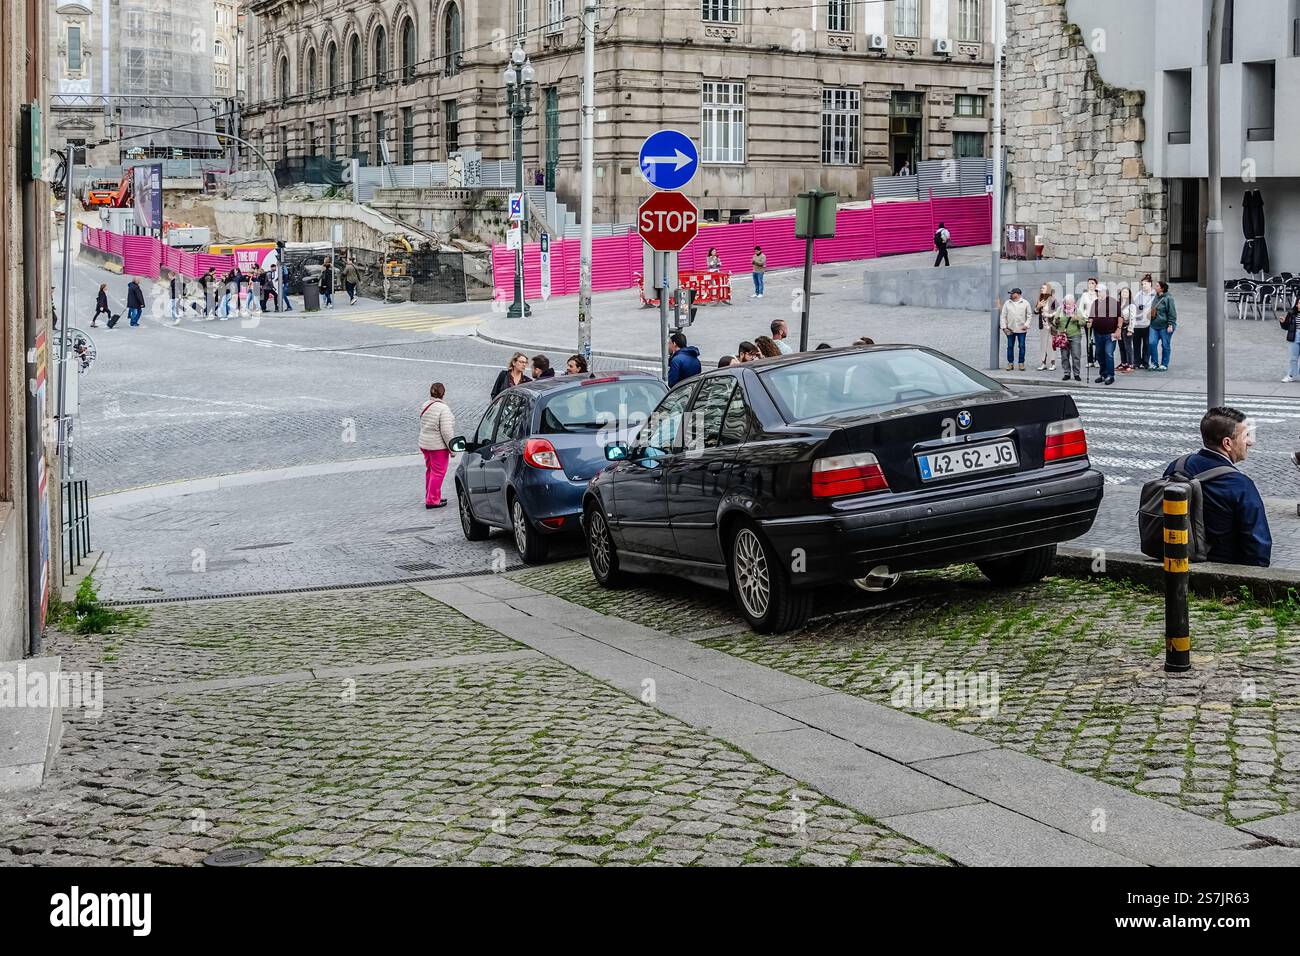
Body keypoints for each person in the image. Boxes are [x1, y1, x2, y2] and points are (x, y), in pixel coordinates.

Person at [1162, 407, 1271, 567]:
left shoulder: (1177, 466)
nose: (1250, 442)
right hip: (1222, 568)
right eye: (1245, 436)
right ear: (1227, 443)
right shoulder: (1240, 485)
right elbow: (1258, 545)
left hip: (1174, 561)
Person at [418, 383, 457, 510]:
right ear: (443, 393)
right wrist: (452, 448)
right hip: (437, 446)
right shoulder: (443, 409)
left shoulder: (425, 405)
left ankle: (431, 495)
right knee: (438, 472)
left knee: (430, 470)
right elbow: (446, 431)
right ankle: (432, 500)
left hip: (425, 444)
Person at [1090, 283, 1123, 386]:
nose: (1097, 293)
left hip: (1110, 333)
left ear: (1104, 291)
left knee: (1108, 353)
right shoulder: (1095, 303)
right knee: (1099, 354)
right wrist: (1089, 322)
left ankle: (1110, 375)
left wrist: (1119, 329)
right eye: (1097, 291)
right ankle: (1103, 374)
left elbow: (1120, 317)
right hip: (1097, 333)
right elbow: (1091, 316)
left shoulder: (1113, 302)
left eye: (1099, 291)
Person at [1050, 294, 1085, 382]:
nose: (1068, 305)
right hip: (1063, 336)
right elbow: (1054, 322)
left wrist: (1077, 319)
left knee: (1076, 355)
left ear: (1073, 303)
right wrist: (1056, 321)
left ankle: (1077, 374)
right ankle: (1067, 373)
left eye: (1070, 303)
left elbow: (1083, 322)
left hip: (1075, 335)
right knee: (1064, 356)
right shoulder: (1060, 310)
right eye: (1067, 303)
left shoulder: (1077, 310)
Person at [999, 287, 1031, 370]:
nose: (1011, 295)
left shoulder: (1025, 303)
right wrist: (1004, 327)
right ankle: (1010, 363)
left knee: (1022, 346)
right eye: (1011, 293)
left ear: (1018, 294)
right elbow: (1003, 316)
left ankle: (1021, 363)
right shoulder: (1007, 303)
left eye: (1013, 293)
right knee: (1010, 346)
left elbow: (1029, 315)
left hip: (1022, 329)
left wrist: (1026, 325)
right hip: (1010, 329)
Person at [1149, 280, 1177, 371]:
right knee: (1152, 343)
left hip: (1165, 326)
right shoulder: (1154, 297)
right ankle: (1154, 363)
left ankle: (1164, 364)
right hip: (1154, 325)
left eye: (1157, 286)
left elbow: (1172, 313)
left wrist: (1170, 324)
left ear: (1162, 288)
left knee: (1165, 345)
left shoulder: (1168, 298)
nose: (1154, 287)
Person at [1132, 275, 1155, 370]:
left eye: (1145, 284)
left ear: (1150, 284)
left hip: (1148, 323)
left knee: (1147, 344)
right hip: (1138, 323)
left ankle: (1145, 362)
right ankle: (1137, 362)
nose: (1143, 286)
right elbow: (1133, 305)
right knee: (1136, 344)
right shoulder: (1139, 294)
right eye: (1142, 284)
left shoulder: (1154, 295)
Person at [1034, 284, 1057, 372]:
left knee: (1051, 345)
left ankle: (1053, 363)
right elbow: (1035, 312)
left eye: (1043, 288)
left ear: (1048, 289)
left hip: (1051, 326)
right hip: (1042, 326)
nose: (1041, 289)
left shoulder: (1052, 300)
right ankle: (1043, 363)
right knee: (1043, 345)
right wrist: (1038, 307)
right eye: (1041, 288)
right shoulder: (1040, 299)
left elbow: (1057, 312)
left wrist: (1049, 315)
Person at [1078, 277, 1100, 368]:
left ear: (1095, 285)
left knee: (1097, 340)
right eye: (1089, 283)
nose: (1090, 285)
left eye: (1092, 283)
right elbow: (1080, 308)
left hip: (1097, 320)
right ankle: (1090, 360)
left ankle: (1097, 359)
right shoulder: (1085, 295)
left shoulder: (1098, 295)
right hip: (1087, 320)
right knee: (1089, 340)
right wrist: (1085, 317)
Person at [1116, 286, 1136, 372]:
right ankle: (1123, 363)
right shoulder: (1118, 303)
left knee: (1128, 347)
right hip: (1119, 327)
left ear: (1129, 294)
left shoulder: (1131, 304)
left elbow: (1133, 317)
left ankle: (1130, 364)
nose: (1124, 294)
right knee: (1121, 346)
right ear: (1120, 294)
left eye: (1126, 292)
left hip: (1127, 327)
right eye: (1123, 292)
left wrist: (1130, 329)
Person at [1280, 300, 1300, 383]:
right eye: (1298, 303)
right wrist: (1283, 322)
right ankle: (1290, 375)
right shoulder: (1292, 313)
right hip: (1295, 336)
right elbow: (1286, 327)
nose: (1299, 305)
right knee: (1293, 358)